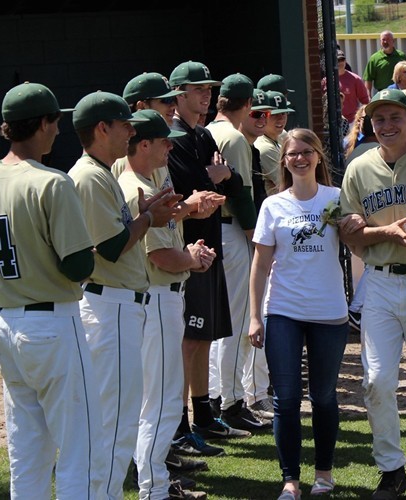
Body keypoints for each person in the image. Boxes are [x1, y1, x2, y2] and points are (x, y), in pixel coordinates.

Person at [0, 82, 104, 499]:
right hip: (53, 326)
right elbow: (79, 264)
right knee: (82, 448)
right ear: (42, 124)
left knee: (27, 451)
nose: (58, 130)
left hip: (7, 325)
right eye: (55, 121)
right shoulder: (52, 182)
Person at [68, 90, 182, 499]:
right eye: (125, 125)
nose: (131, 132)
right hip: (109, 303)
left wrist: (144, 214)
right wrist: (151, 218)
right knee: (115, 427)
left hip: (117, 305)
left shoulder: (100, 172)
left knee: (116, 423)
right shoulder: (90, 175)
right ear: (102, 129)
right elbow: (112, 247)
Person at [338, 89, 406, 500]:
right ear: (370, 123)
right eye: (379, 119)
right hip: (380, 282)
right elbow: (349, 231)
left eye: (395, 117)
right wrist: (386, 232)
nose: (387, 125)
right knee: (377, 380)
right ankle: (390, 469)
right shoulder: (358, 167)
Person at [248, 128, 360, 500]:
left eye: (306, 152)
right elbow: (260, 266)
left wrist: (354, 228)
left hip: (329, 313)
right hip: (283, 312)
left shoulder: (337, 198)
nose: (299, 158)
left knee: (325, 396)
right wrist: (255, 316)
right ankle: (291, 481)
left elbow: (357, 248)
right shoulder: (272, 206)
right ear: (283, 160)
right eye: (292, 153)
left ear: (318, 157)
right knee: (286, 399)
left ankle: (324, 475)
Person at [117, 109, 220, 500]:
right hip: (156, 297)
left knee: (157, 400)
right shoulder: (135, 187)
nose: (170, 146)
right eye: (163, 141)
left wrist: (189, 218)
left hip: (157, 298)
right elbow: (159, 257)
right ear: (143, 144)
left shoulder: (149, 177)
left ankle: (157, 484)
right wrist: (192, 260)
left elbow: (166, 238)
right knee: (159, 402)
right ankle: (154, 489)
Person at [165, 60, 252, 445]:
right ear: (178, 94)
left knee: (202, 338)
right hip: (186, 248)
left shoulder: (202, 135)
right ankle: (181, 423)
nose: (207, 93)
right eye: (198, 89)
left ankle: (202, 413)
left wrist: (222, 178)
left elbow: (229, 186)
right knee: (189, 338)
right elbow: (192, 191)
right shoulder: (174, 137)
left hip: (209, 246)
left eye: (209, 88)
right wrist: (212, 179)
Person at [204, 73, 273, 430]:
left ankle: (217, 396)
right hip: (231, 232)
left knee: (218, 323)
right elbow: (241, 197)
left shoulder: (205, 131)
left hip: (209, 232)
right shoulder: (232, 136)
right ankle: (231, 402)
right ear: (247, 105)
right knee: (236, 320)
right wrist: (255, 239)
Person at [257, 91, 294, 195]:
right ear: (264, 116)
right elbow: (289, 185)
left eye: (283, 113)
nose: (281, 118)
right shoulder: (264, 147)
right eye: (275, 114)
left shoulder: (279, 136)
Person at [331, 50, 371, 125]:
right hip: (332, 122)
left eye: (342, 60)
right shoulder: (327, 81)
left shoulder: (355, 79)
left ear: (345, 61)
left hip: (351, 122)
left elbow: (365, 101)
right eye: (337, 60)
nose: (340, 63)